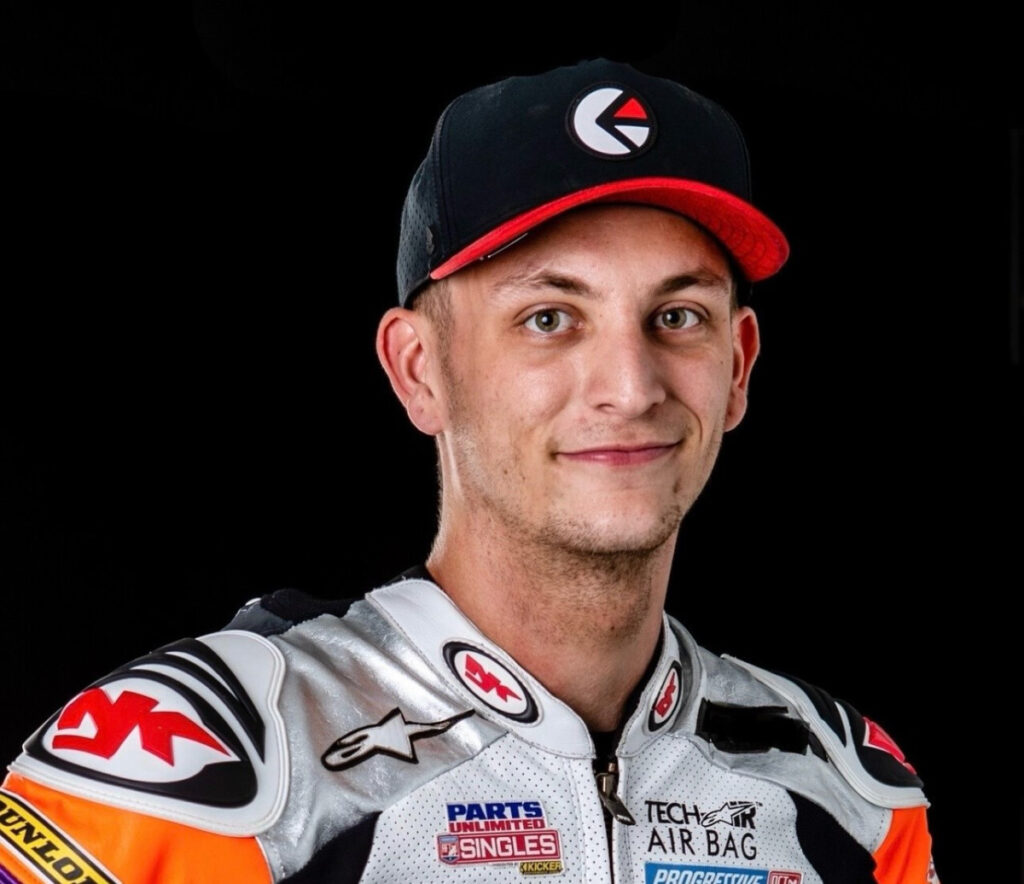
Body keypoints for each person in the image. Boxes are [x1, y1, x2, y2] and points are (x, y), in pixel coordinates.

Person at [0, 58, 937, 884]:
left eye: (677, 316)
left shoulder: (851, 794)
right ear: (419, 370)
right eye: (548, 318)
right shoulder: (197, 770)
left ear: (739, 367)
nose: (629, 387)